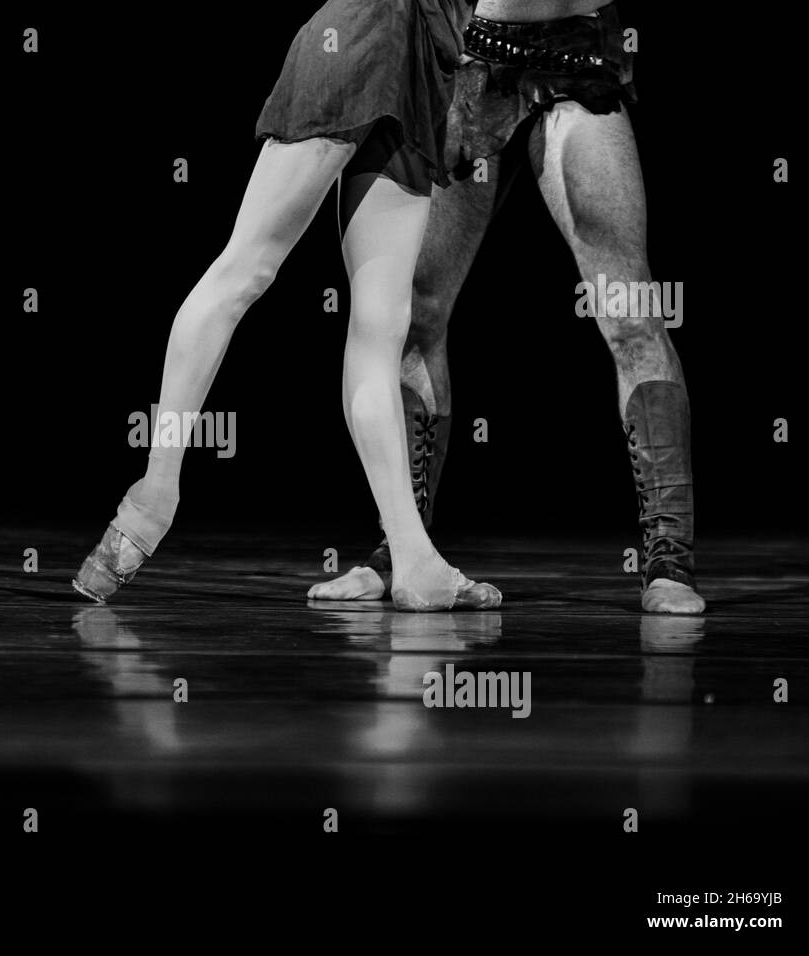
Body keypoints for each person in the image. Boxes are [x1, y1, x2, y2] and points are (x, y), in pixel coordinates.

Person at [73, 0, 500, 611]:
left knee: (384, 324)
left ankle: (412, 556)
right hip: (364, 31)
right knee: (246, 268)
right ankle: (155, 491)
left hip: (426, 67)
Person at [309, 0, 705, 614]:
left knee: (628, 309)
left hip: (576, 53)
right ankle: (399, 551)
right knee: (418, 315)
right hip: (472, 51)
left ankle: (670, 559)